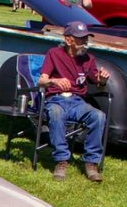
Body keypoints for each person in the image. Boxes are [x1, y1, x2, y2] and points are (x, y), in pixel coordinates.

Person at [37, 21, 109, 182]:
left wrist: (103, 80)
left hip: (78, 102)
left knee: (98, 116)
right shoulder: (54, 53)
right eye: (80, 38)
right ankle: (61, 161)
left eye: (86, 38)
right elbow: (41, 81)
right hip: (55, 99)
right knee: (56, 113)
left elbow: (97, 82)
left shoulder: (89, 59)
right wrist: (54, 82)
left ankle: (91, 163)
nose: (85, 42)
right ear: (68, 40)